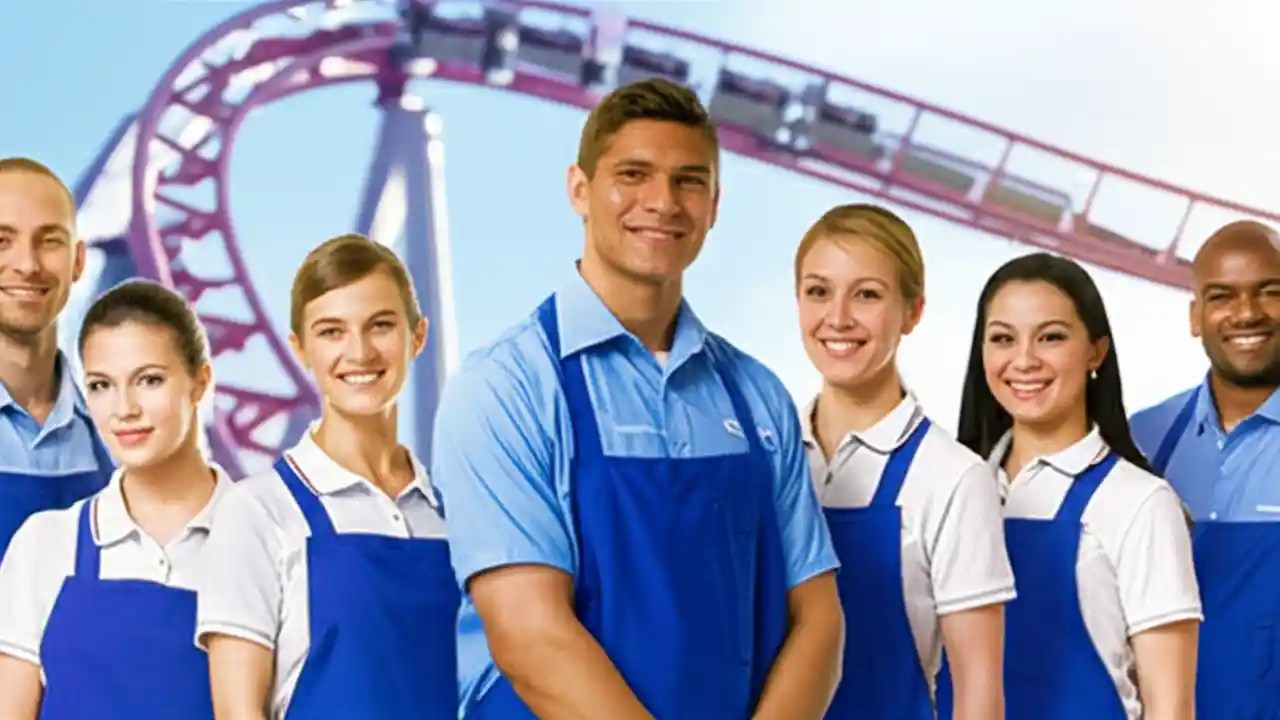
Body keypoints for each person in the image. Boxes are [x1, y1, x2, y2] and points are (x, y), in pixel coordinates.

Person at [431, 77, 844, 719]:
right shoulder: (505, 388)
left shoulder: (760, 397)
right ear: (579, 189)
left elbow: (817, 619)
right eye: (633, 174)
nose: (662, 202)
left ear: (714, 205)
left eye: (688, 180)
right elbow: (530, 636)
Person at [196, 233, 459, 719]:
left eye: (380, 325)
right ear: (299, 349)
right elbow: (238, 713)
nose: (358, 352)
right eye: (331, 332)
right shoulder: (259, 512)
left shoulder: (453, 513)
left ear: (417, 336)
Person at [957, 252, 1200, 719]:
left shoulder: (1140, 504)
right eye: (1003, 339)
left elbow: (1170, 708)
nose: (1024, 360)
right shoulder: (950, 490)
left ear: (1096, 351)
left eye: (1050, 337)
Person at [795, 203, 1012, 720]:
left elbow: (979, 698)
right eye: (818, 291)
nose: (838, 318)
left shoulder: (954, 478)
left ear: (913, 311)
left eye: (867, 294)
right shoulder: (765, 456)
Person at [0, 279, 227, 718]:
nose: (124, 408)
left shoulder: (271, 543)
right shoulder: (45, 545)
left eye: (149, 380)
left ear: (201, 382)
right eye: (102, 385)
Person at [1130, 220, 1280, 719]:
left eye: (1270, 292)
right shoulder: (1142, 439)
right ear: (1196, 316)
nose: (1247, 314)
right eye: (1222, 297)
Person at [0, 157, 113, 562]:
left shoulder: (119, 435)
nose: (27, 265)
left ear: (78, 261)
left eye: (49, 241)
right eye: (2, 241)